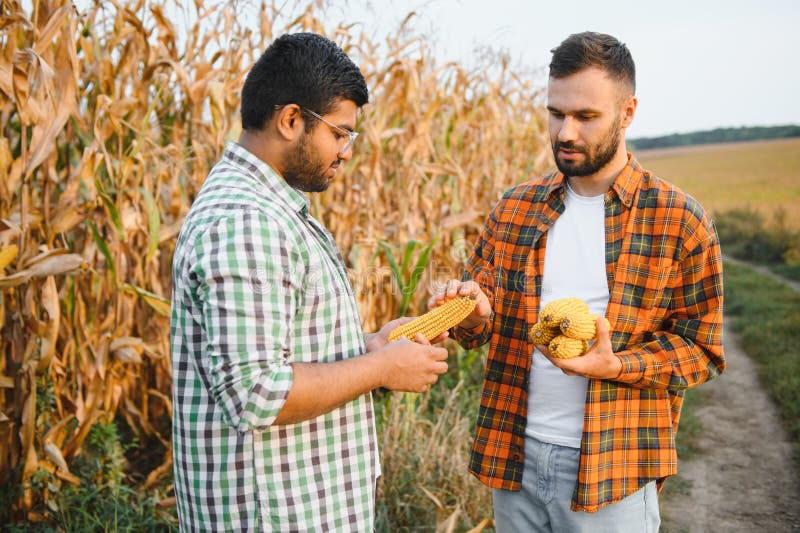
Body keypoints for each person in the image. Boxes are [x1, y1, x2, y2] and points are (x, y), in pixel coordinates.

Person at [432, 31, 725, 532]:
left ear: (628, 111)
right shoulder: (515, 208)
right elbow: (477, 331)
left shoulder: (679, 219)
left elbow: (703, 350)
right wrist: (473, 316)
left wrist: (616, 365)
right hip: (515, 456)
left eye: (586, 117)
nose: (565, 132)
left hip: (613, 466)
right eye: (555, 113)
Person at [169, 32, 449, 532]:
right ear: (292, 119)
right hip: (274, 513)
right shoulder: (247, 221)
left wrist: (373, 346)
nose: (346, 151)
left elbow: (279, 347)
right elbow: (255, 392)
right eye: (340, 133)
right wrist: (381, 368)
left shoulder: (269, 208)